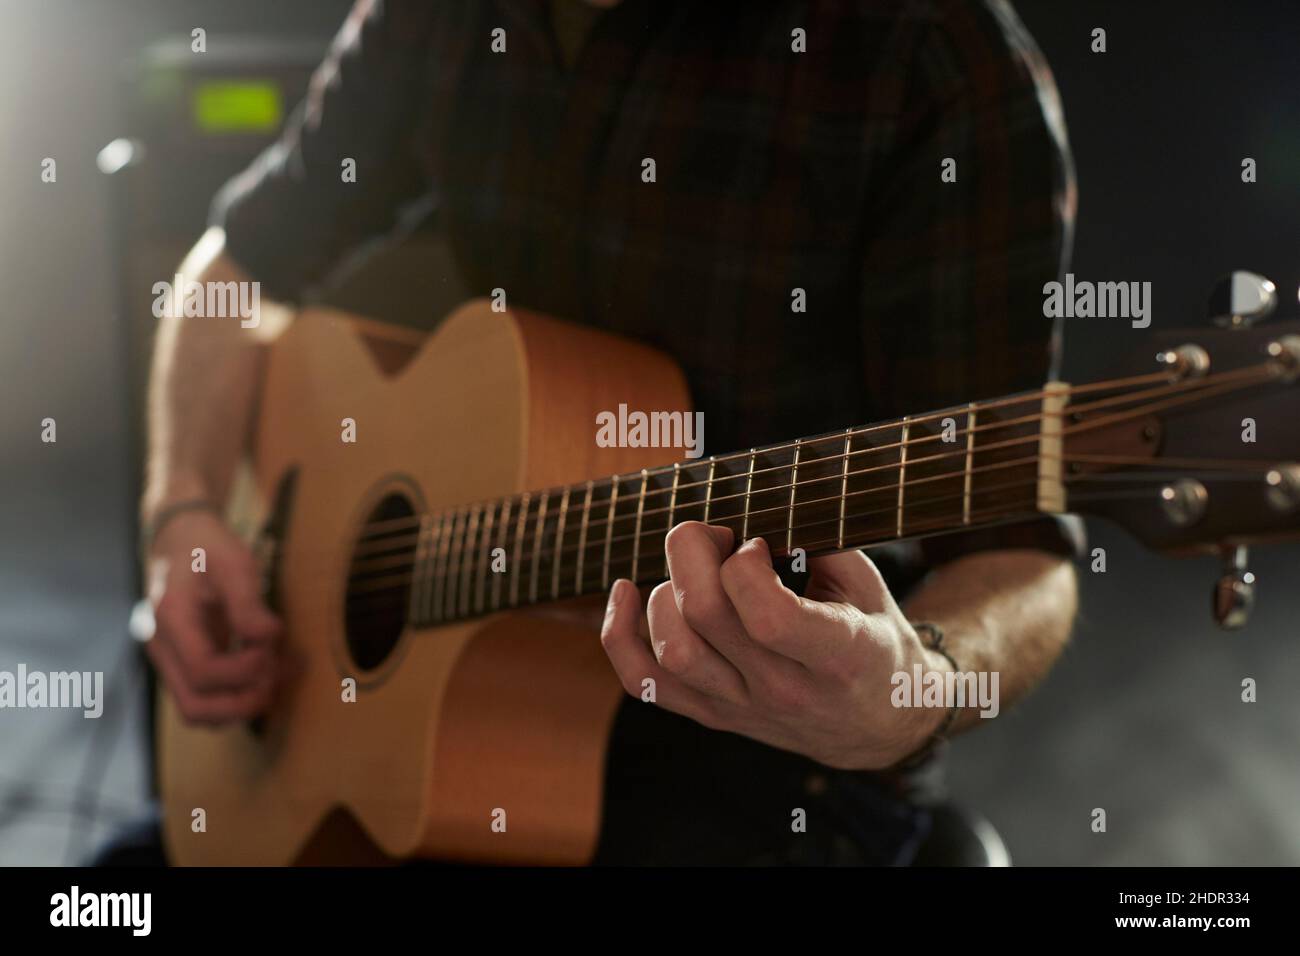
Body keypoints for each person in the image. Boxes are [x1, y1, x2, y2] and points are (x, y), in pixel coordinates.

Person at [140, 0, 1082, 865]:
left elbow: (1025, 552)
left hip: (771, 761)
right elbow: (234, 268)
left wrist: (915, 690)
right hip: (470, 731)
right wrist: (180, 507)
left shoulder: (932, 59)